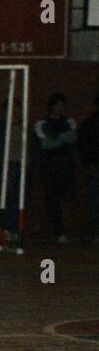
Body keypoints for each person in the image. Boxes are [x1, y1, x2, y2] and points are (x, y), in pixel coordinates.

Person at [33, 93, 78, 243]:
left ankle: (68, 229)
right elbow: (46, 144)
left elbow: (72, 137)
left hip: (67, 166)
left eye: (62, 106)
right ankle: (59, 232)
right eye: (56, 105)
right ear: (50, 107)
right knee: (52, 200)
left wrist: (55, 139)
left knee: (68, 198)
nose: (59, 109)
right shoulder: (41, 124)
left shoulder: (69, 121)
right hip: (50, 167)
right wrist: (61, 139)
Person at [78, 95, 99, 241]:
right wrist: (88, 164)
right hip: (94, 166)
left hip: (93, 166)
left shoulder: (88, 124)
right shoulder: (89, 124)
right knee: (95, 201)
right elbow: (84, 147)